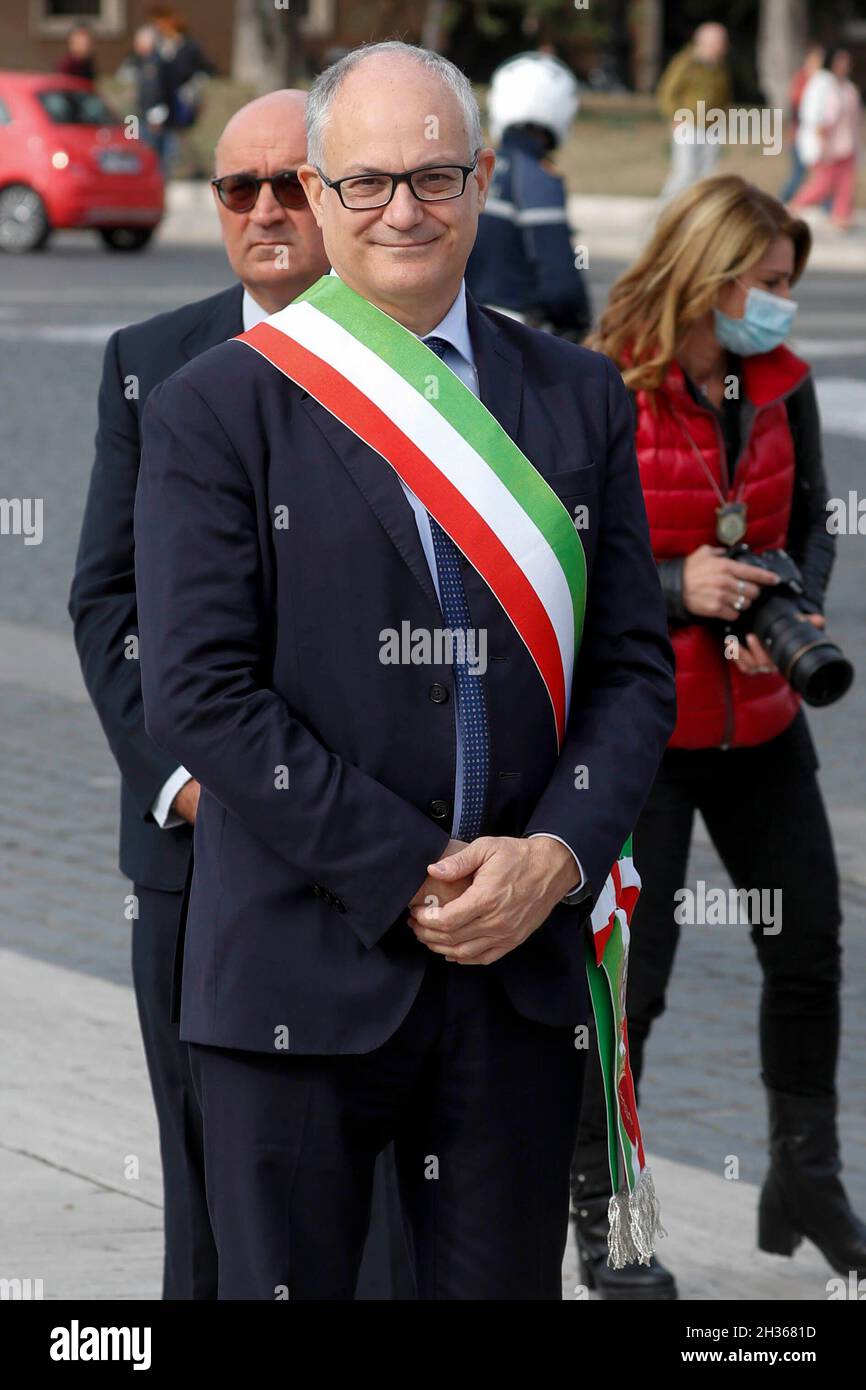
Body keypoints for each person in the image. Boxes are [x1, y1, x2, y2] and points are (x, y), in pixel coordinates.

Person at [133, 39, 676, 1301]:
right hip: (296, 980)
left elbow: (632, 669)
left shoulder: (579, 395)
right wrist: (412, 872)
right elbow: (201, 693)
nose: (402, 211)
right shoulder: (218, 406)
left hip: (516, 981)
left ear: (482, 181)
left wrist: (552, 859)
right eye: (366, 182)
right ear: (318, 198)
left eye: (433, 176)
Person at [572, 174, 866, 1297]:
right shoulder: (599, 386)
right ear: (710, 272)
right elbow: (559, 569)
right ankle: (608, 1219)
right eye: (773, 283)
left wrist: (785, 602)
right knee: (629, 985)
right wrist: (673, 585)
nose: (782, 307)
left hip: (758, 716)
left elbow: (813, 528)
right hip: (640, 728)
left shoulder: (777, 385)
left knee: (808, 953)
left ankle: (804, 1177)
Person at [69, 90, 331, 1300]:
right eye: (240, 188)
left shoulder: (422, 370)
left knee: (367, 1193)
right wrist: (184, 785)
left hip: (367, 854)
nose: (266, 209)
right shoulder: (148, 362)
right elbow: (106, 601)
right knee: (206, 1188)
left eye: (292, 184)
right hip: (192, 856)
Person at [465, 50, 591, 341]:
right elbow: (560, 282)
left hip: (458, 323)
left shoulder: (472, 168)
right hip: (511, 335)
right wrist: (579, 321)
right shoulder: (538, 177)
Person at [657, 23, 731, 202]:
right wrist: (675, 117)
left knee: (706, 175)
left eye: (722, 43)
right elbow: (667, 93)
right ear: (702, 42)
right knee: (685, 173)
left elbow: (723, 96)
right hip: (688, 124)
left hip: (712, 126)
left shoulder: (719, 66)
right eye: (718, 42)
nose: (722, 47)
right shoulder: (685, 63)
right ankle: (664, 213)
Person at [792, 47, 862, 232]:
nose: (844, 66)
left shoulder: (848, 87)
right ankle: (794, 208)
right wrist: (820, 140)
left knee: (846, 183)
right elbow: (814, 114)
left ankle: (841, 217)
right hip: (826, 143)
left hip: (846, 143)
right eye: (840, 61)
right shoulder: (822, 83)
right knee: (823, 183)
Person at [779, 44, 825, 205]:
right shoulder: (802, 79)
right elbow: (797, 108)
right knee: (798, 174)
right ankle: (781, 202)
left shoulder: (823, 79)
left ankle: (829, 209)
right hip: (800, 136)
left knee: (824, 176)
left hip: (819, 138)